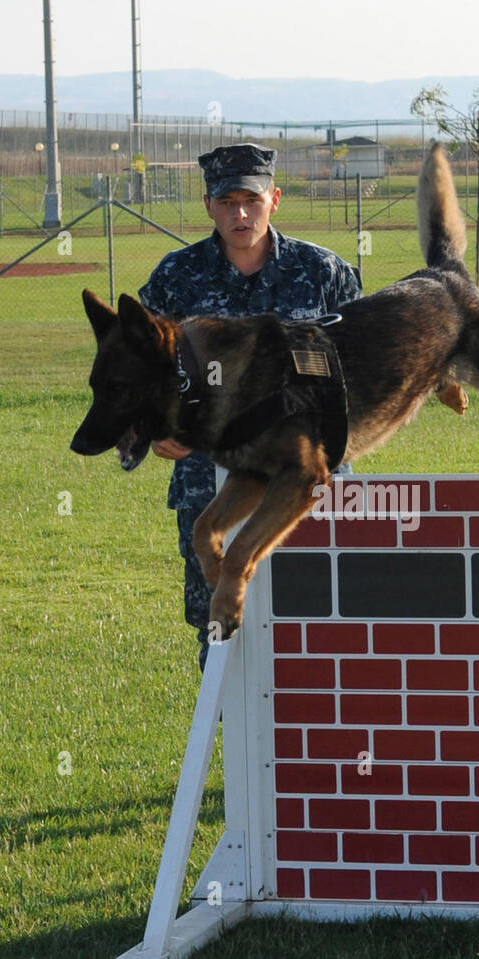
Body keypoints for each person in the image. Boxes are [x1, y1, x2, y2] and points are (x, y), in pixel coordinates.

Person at [138, 143, 361, 669]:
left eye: (252, 200)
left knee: (320, 622)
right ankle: (232, 753)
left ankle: (317, 750)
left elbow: (360, 367)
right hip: (206, 482)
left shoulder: (325, 273)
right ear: (208, 205)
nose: (241, 214)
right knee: (218, 629)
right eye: (228, 201)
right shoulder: (176, 277)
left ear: (274, 199)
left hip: (308, 483)